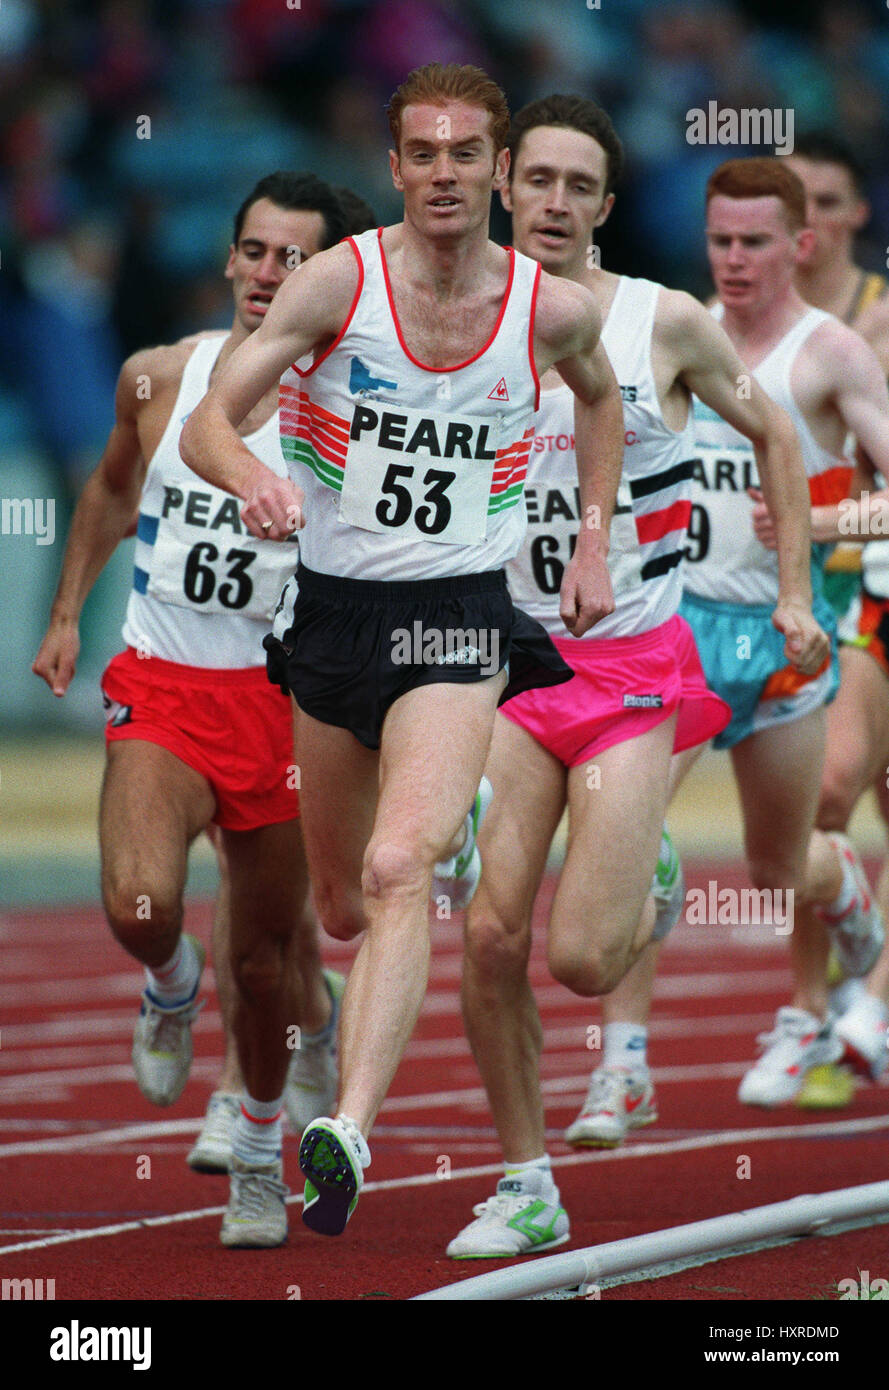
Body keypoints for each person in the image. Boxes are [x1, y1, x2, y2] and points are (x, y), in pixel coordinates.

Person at [179, 61, 626, 1238]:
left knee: (396, 872)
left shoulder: (550, 306)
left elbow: (598, 401)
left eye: (464, 154)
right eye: (420, 153)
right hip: (331, 617)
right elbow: (209, 419)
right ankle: (440, 844)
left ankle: (347, 1133)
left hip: (459, 613)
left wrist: (588, 541)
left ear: (495, 166)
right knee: (336, 905)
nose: (442, 173)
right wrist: (257, 477)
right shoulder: (337, 281)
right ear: (394, 168)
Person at [446, 99, 827, 1259]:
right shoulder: (456, 314)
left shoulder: (662, 325)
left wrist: (795, 592)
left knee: (578, 955)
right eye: (540, 180)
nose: (554, 203)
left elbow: (774, 438)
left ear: (607, 207)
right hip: (509, 666)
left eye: (580, 187)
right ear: (506, 182)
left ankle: (650, 870)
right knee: (491, 933)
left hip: (633, 672)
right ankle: (525, 1181)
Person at [32, 171, 350, 1249]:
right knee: (137, 904)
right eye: (255, 252)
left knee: (265, 964)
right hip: (164, 682)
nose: (269, 274)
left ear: (330, 277)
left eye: (294, 258)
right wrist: (71, 607)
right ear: (228, 260)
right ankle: (169, 985)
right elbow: (114, 489)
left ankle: (259, 1156)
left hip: (285, 709)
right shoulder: (158, 377)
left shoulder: (351, 403)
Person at [571, 157, 889, 1146]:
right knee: (625, 842)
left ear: (800, 243)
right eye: (721, 241)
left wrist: (832, 513)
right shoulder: (680, 335)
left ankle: (841, 886)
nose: (737, 260)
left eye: (756, 242)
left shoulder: (829, 353)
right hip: (677, 630)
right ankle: (621, 1066)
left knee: (778, 860)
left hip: (793, 632)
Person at [783, 133, 889, 1107]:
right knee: (825, 793)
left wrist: (807, 517)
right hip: (842, 598)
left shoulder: (874, 325)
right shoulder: (746, 324)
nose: (805, 220)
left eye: (825, 199)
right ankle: (817, 1014)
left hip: (856, 577)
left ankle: (864, 1014)